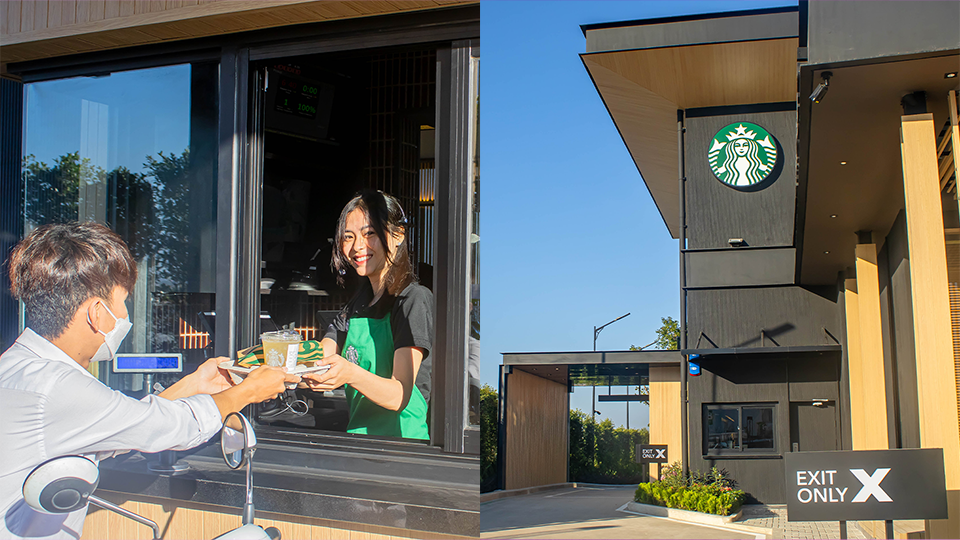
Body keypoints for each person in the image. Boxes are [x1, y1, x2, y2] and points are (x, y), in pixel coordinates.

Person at [0, 222, 299, 540]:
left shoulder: (19, 368)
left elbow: (122, 424)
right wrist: (248, 390)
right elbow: (172, 428)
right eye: (123, 301)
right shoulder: (58, 387)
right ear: (97, 313)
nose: (125, 315)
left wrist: (193, 385)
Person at [302, 191, 433, 440]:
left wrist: (349, 373)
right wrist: (270, 366)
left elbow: (399, 395)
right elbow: (318, 358)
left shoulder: (413, 300)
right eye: (347, 237)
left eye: (369, 233)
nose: (357, 247)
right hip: (360, 440)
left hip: (404, 447)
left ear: (398, 236)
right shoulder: (354, 307)